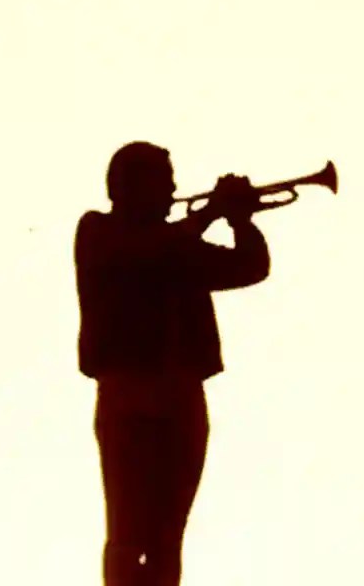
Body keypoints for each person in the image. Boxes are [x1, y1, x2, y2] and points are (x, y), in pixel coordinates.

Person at [74, 141, 271, 586]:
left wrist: (242, 220)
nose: (174, 190)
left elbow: (250, 267)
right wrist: (212, 213)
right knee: (126, 531)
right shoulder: (98, 231)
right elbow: (146, 253)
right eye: (164, 181)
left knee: (168, 535)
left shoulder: (177, 244)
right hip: (129, 389)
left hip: (181, 391)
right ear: (132, 186)